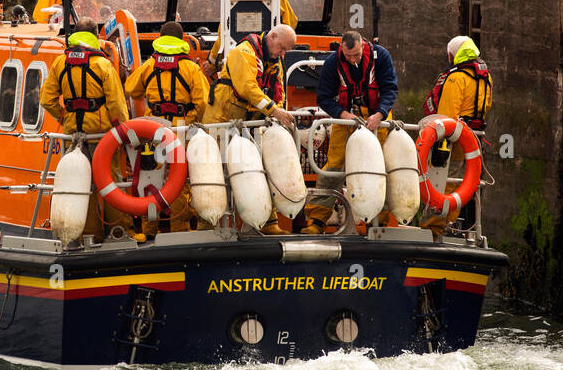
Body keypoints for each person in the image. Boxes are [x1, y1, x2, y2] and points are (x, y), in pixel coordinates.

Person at [40, 26, 133, 238]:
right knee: (111, 182)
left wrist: (64, 117)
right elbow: (117, 105)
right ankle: (118, 231)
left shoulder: (59, 63)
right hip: (102, 135)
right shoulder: (103, 65)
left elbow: (47, 100)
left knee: (82, 184)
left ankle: (90, 233)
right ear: (94, 36)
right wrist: (123, 131)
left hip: (73, 133)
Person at [204, 24, 297, 235]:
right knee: (215, 171)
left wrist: (278, 111)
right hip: (223, 117)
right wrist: (274, 111)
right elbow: (247, 88)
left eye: (285, 51)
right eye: (281, 48)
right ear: (272, 37)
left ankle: (268, 222)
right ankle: (208, 226)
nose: (282, 54)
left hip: (252, 119)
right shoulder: (243, 52)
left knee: (262, 168)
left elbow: (277, 88)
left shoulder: (274, 59)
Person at [304, 30, 399, 234]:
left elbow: (390, 89)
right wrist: (342, 114)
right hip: (346, 119)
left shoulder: (381, 56)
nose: (353, 59)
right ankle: (317, 220)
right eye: (349, 56)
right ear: (342, 50)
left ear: (363, 46)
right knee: (333, 168)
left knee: (379, 168)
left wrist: (380, 114)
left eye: (356, 55)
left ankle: (378, 223)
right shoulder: (332, 63)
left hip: (377, 119)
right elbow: (324, 98)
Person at [124, 21, 211, 240]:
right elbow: (202, 102)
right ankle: (179, 230)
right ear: (181, 40)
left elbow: (131, 89)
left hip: (154, 127)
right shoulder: (191, 67)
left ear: (160, 38)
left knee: (151, 178)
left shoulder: (149, 64)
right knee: (179, 180)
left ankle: (148, 231)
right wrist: (195, 124)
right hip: (182, 127)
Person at [420, 35, 493, 232]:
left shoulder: (456, 78)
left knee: (440, 183)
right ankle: (448, 223)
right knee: (456, 184)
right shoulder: (485, 78)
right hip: (471, 138)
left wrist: (438, 143)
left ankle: (433, 227)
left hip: (450, 140)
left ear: (453, 54)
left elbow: (446, 115)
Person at [205, 0, 298, 75]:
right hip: (270, 64)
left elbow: (223, 35)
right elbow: (291, 23)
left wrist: (212, 64)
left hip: (239, 61)